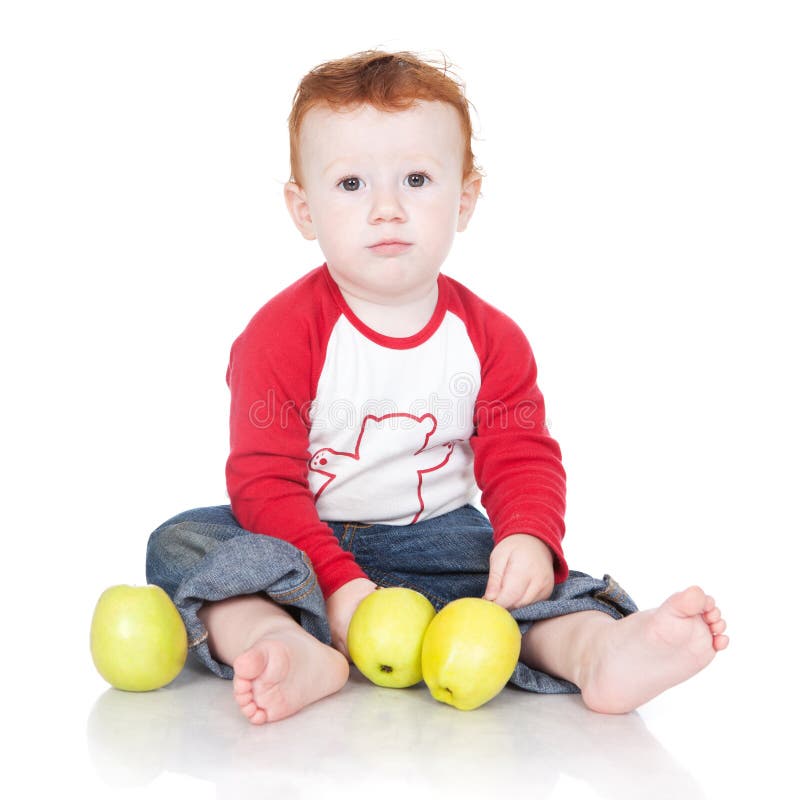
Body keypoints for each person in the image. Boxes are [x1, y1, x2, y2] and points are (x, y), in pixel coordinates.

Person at [146, 50, 728, 725]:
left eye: (416, 179)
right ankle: (281, 641)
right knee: (183, 544)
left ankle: (595, 652)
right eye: (352, 184)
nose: (387, 209)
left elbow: (522, 454)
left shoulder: (490, 338)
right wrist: (338, 584)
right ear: (303, 210)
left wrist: (529, 536)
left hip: (438, 541)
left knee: (523, 590)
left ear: (465, 198)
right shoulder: (281, 334)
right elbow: (263, 481)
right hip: (299, 545)